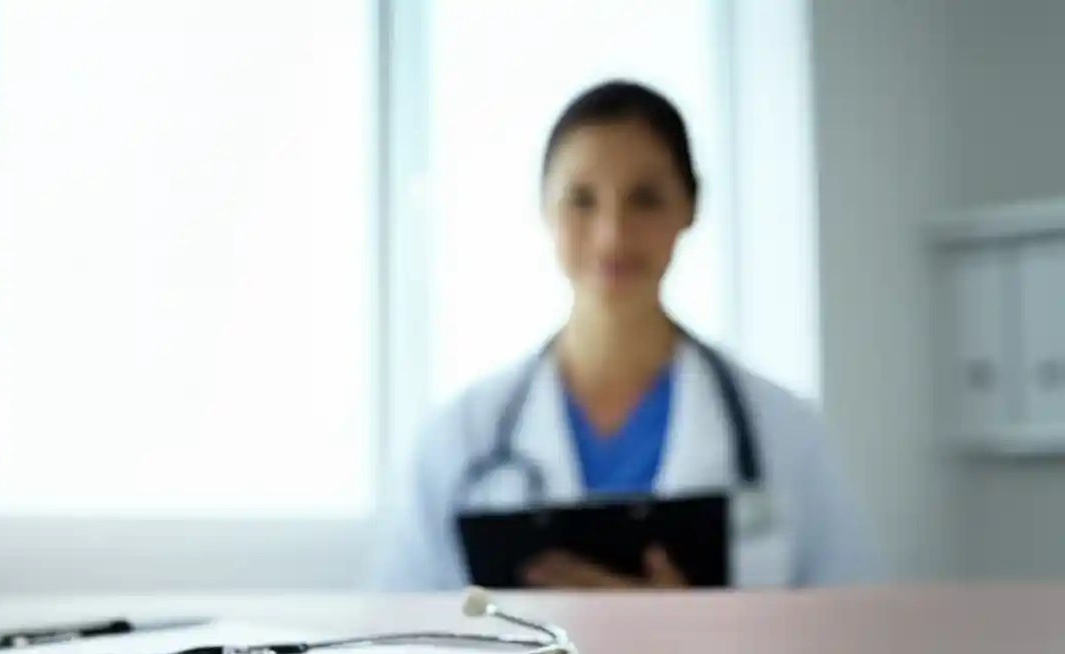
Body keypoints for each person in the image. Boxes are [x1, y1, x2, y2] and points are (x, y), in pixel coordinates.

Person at [372, 80, 878, 590]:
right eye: (581, 200)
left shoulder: (785, 433)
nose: (612, 233)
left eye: (645, 199)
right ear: (545, 208)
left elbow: (852, 623)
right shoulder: (458, 439)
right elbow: (399, 626)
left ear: (690, 208)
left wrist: (691, 628)